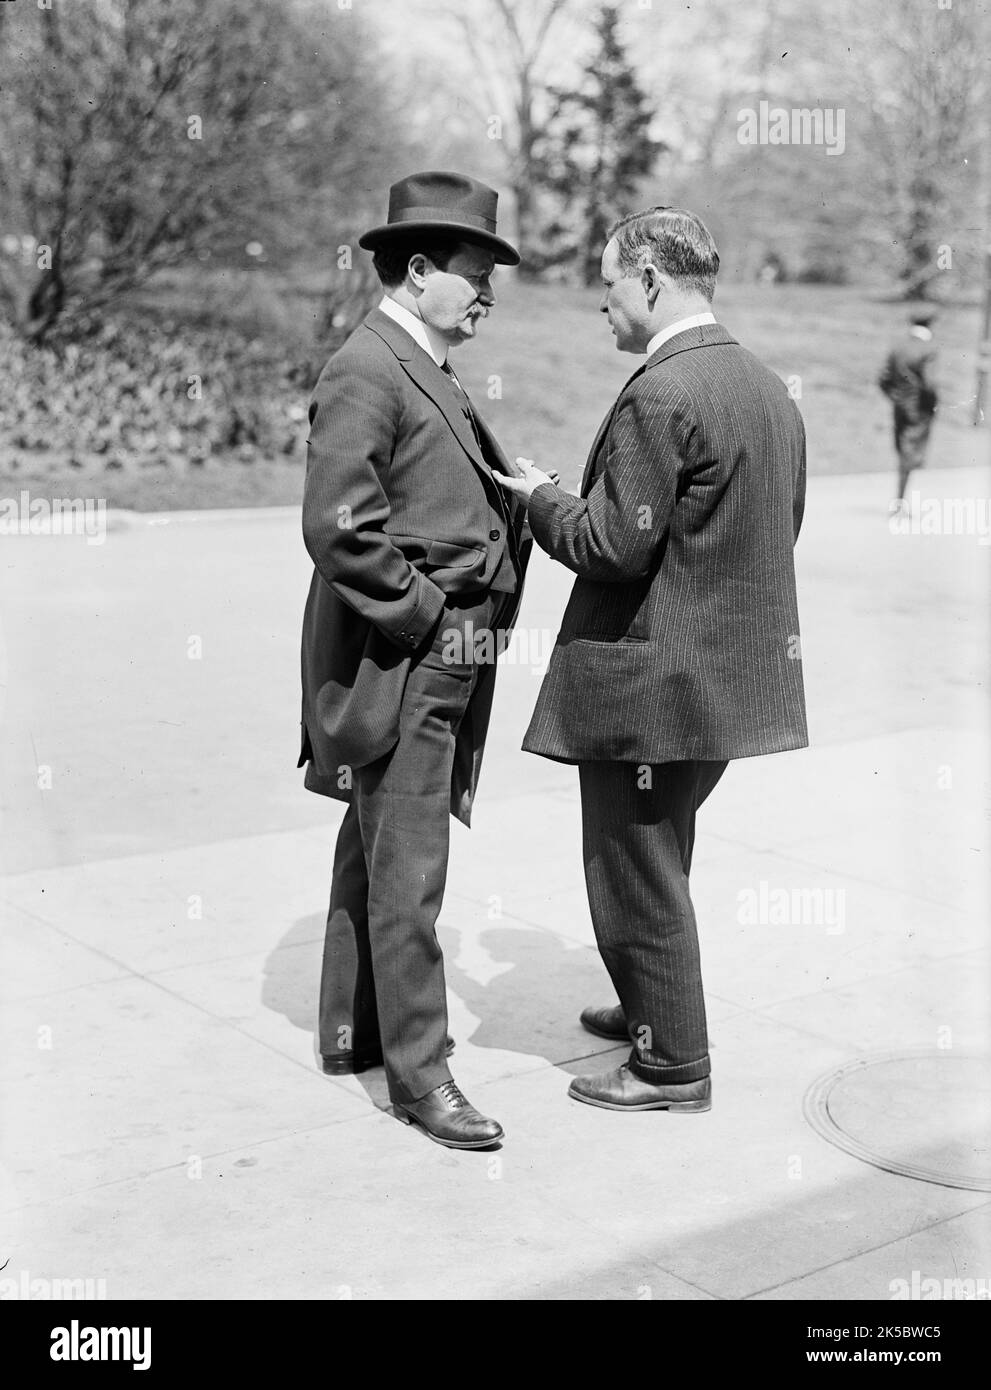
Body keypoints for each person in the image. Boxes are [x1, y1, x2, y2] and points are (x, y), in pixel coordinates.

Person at [496, 206, 808, 1114]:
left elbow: (610, 547)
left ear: (647, 281)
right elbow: (773, 530)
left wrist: (540, 498)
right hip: (722, 689)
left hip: (651, 690)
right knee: (661, 854)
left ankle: (668, 1063)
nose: (602, 306)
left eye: (605, 286)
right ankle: (646, 1011)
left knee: (635, 871)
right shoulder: (764, 386)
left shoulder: (659, 393)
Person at [298, 171, 532, 1149]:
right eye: (475, 275)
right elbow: (338, 527)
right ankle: (422, 1078)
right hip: (411, 653)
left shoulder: (418, 359)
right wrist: (431, 615)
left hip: (433, 649)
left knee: (374, 844)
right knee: (411, 871)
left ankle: (351, 1032)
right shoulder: (370, 366)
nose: (486, 293)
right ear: (420, 267)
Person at [879, 308, 939, 512]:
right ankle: (900, 501)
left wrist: (896, 398)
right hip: (919, 409)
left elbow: (883, 379)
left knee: (904, 451)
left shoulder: (898, 347)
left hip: (900, 407)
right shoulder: (928, 349)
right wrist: (932, 405)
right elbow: (930, 384)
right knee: (910, 455)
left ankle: (900, 497)